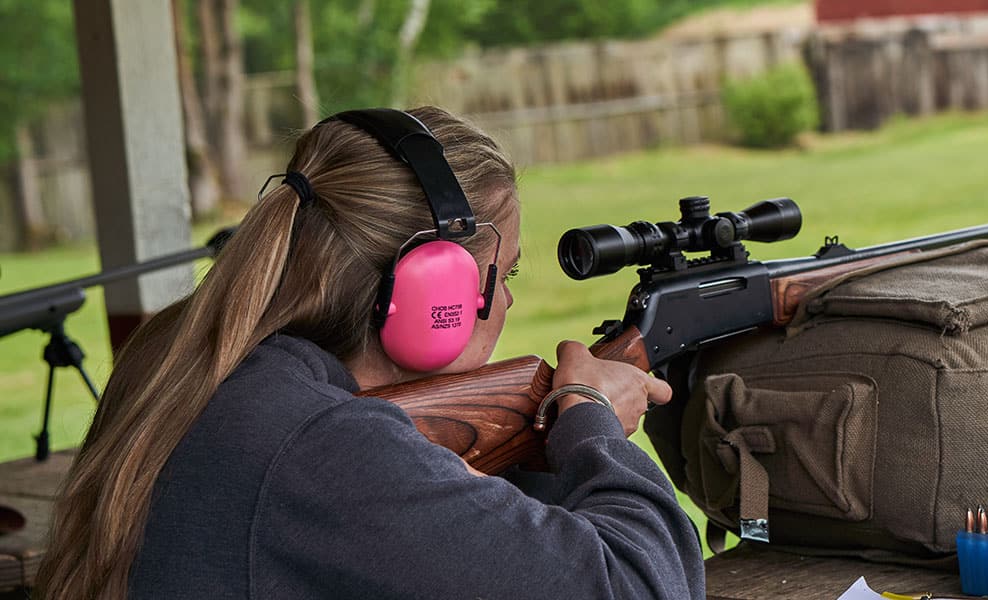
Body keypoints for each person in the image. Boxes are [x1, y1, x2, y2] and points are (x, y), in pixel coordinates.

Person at [35, 107, 704, 599]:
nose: (508, 306)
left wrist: (540, 437)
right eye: (505, 278)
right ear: (432, 295)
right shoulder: (321, 447)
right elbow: (640, 585)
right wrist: (589, 417)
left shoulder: (190, 362)